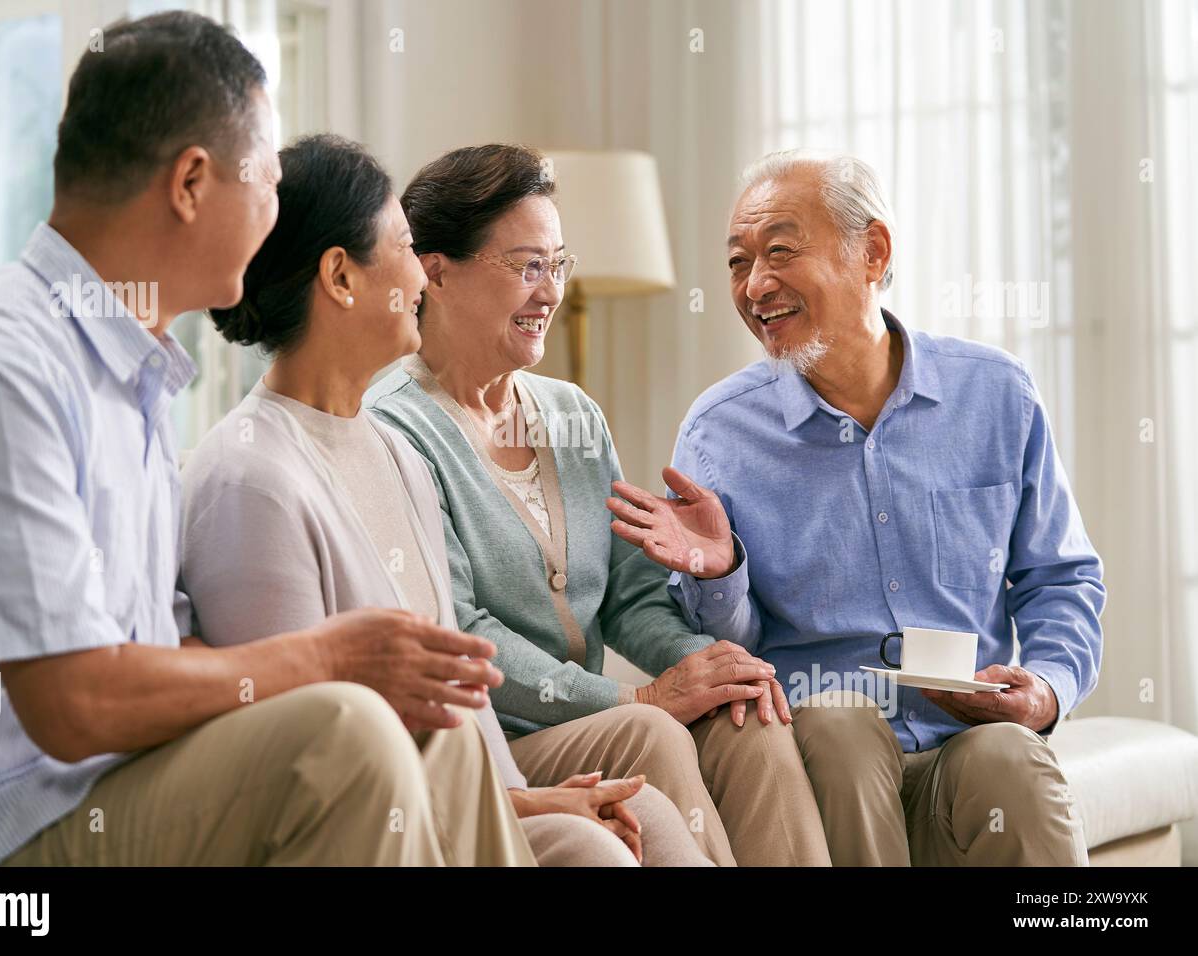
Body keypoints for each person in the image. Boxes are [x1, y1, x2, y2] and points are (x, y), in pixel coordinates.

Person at [0, 12, 529, 867]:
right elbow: (73, 701)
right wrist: (327, 656)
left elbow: (163, 646)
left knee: (429, 728)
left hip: (112, 784)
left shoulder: (138, 381)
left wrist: (367, 670)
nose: (275, 212)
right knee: (345, 735)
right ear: (193, 182)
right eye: (265, 179)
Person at [180, 133, 713, 866]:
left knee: (637, 810)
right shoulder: (251, 478)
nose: (423, 277)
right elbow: (311, 750)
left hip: (462, 793)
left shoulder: (390, 450)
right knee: (603, 849)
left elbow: (455, 686)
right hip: (374, 827)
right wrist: (517, 804)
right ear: (340, 276)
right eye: (404, 246)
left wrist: (533, 798)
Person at [608, 148, 1104, 866]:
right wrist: (720, 572)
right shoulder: (719, 432)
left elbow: (1062, 578)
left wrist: (1047, 691)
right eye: (738, 263)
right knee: (840, 724)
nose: (755, 285)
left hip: (962, 748)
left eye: (780, 251)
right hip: (823, 759)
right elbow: (729, 647)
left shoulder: (996, 395)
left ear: (872, 252)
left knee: (1010, 759)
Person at [367, 144, 832, 867]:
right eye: (527, 266)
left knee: (749, 714)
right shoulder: (395, 427)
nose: (550, 291)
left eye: (558, 265)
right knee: (651, 735)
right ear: (437, 271)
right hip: (494, 738)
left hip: (594, 719)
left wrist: (707, 668)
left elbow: (632, 598)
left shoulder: (572, 414)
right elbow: (461, 628)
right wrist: (637, 704)